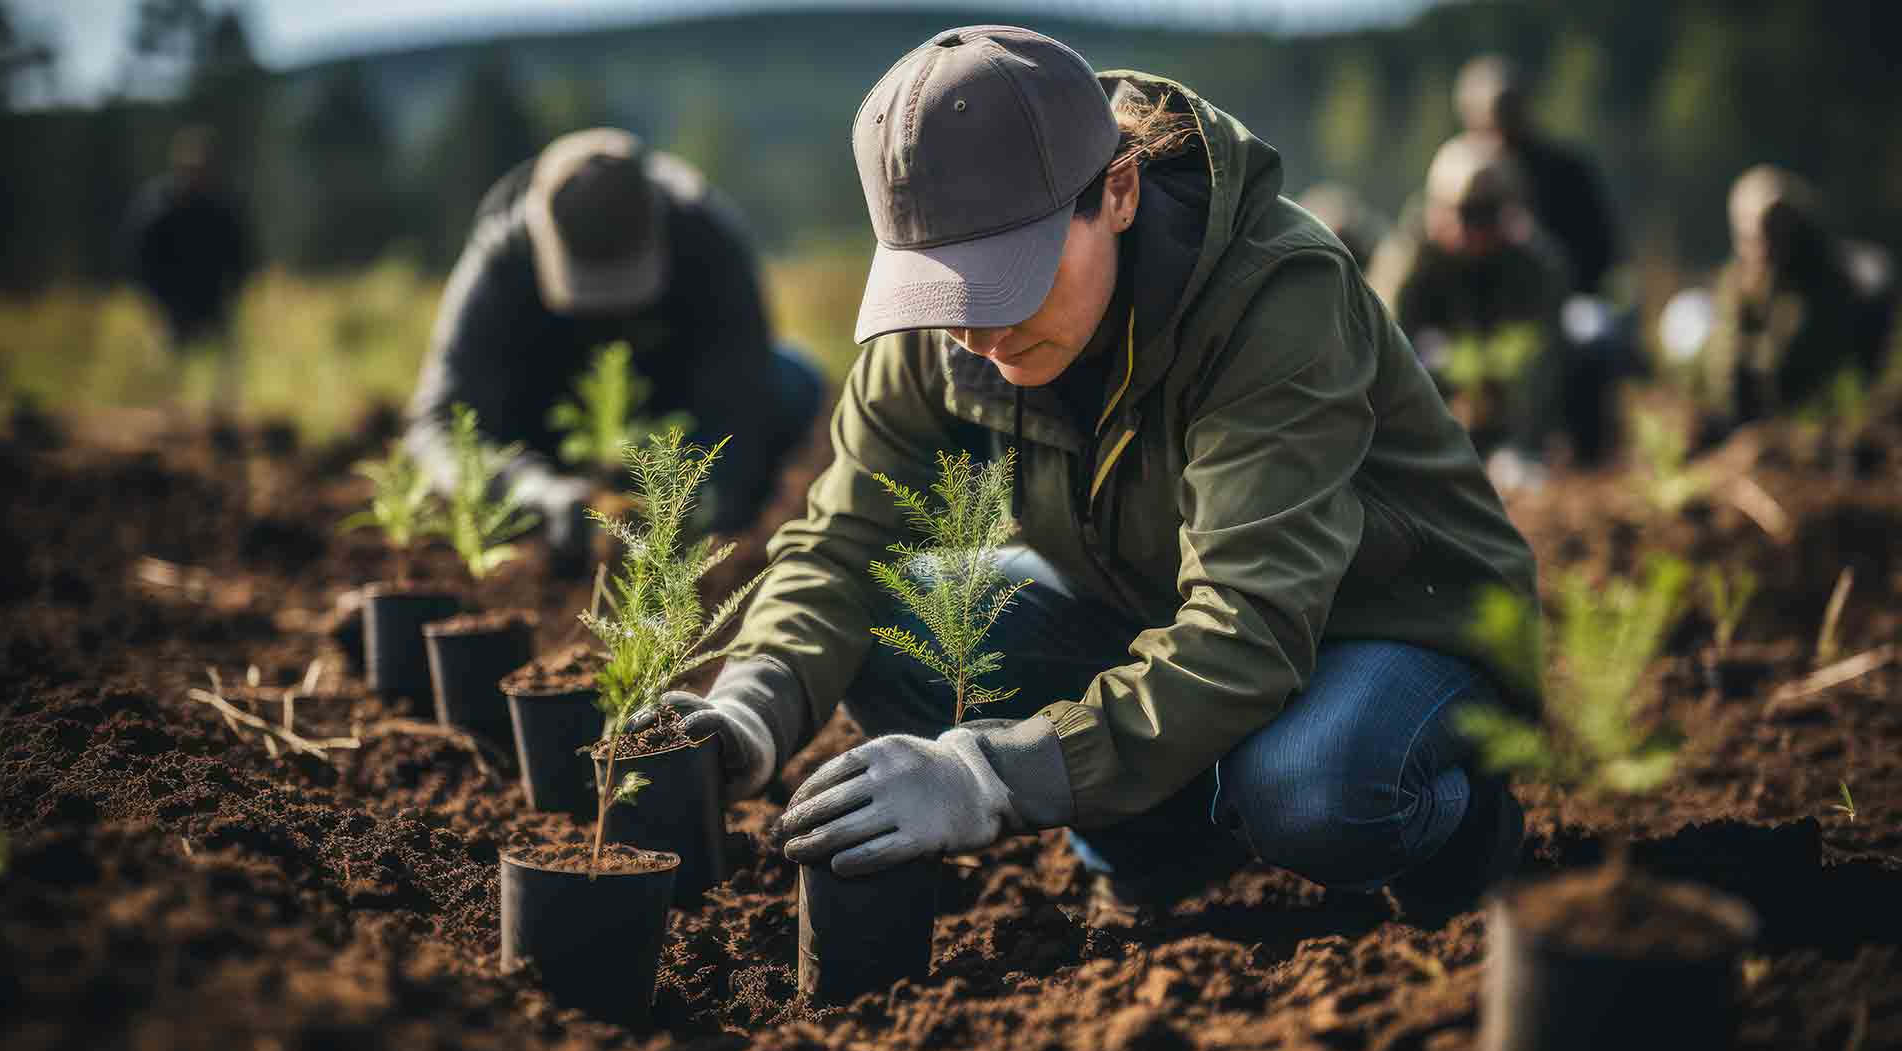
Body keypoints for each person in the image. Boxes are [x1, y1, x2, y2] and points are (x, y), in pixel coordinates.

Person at [645, 26, 1542, 922]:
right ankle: (1163, 846)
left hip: (1395, 619)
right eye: (944, 286)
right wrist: (754, 704)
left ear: (1118, 191)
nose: (977, 333)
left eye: (1009, 276)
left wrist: (991, 774)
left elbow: (1251, 623)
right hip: (1158, 601)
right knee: (897, 623)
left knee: (1310, 789)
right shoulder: (949, 327)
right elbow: (842, 542)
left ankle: (1461, 832)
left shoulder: (1273, 297)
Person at [403, 128, 824, 569]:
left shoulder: (705, 234)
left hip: (678, 432)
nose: (610, 315)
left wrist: (695, 505)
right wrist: (535, 493)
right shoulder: (502, 255)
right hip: (545, 441)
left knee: (796, 382)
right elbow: (436, 426)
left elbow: (744, 401)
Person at [1368, 133, 1571, 484]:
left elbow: (1547, 357)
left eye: (1487, 214)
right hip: (1430, 394)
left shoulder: (1535, 267)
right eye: (1465, 213)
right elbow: (1382, 352)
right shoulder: (1406, 261)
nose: (1473, 230)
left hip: (1504, 399)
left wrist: (1523, 441)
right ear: (1436, 210)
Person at [1696, 165, 1894, 435]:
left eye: (1776, 227)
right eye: (1755, 234)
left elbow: (1806, 358)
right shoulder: (1737, 281)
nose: (1767, 242)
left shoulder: (1825, 274)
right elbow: (1726, 360)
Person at [1454, 55, 1616, 297]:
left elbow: (1600, 254)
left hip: (1564, 298)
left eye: (1511, 113)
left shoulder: (1566, 174)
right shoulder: (1454, 182)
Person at [120, 125, 252, 414]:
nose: (196, 174)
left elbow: (241, 252)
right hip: (171, 300)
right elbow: (141, 256)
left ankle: (222, 412)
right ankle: (170, 413)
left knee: (229, 349)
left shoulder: (221, 206)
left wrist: (233, 291)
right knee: (169, 355)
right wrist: (156, 299)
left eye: (201, 167)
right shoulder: (158, 207)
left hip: (212, 297)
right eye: (190, 167)